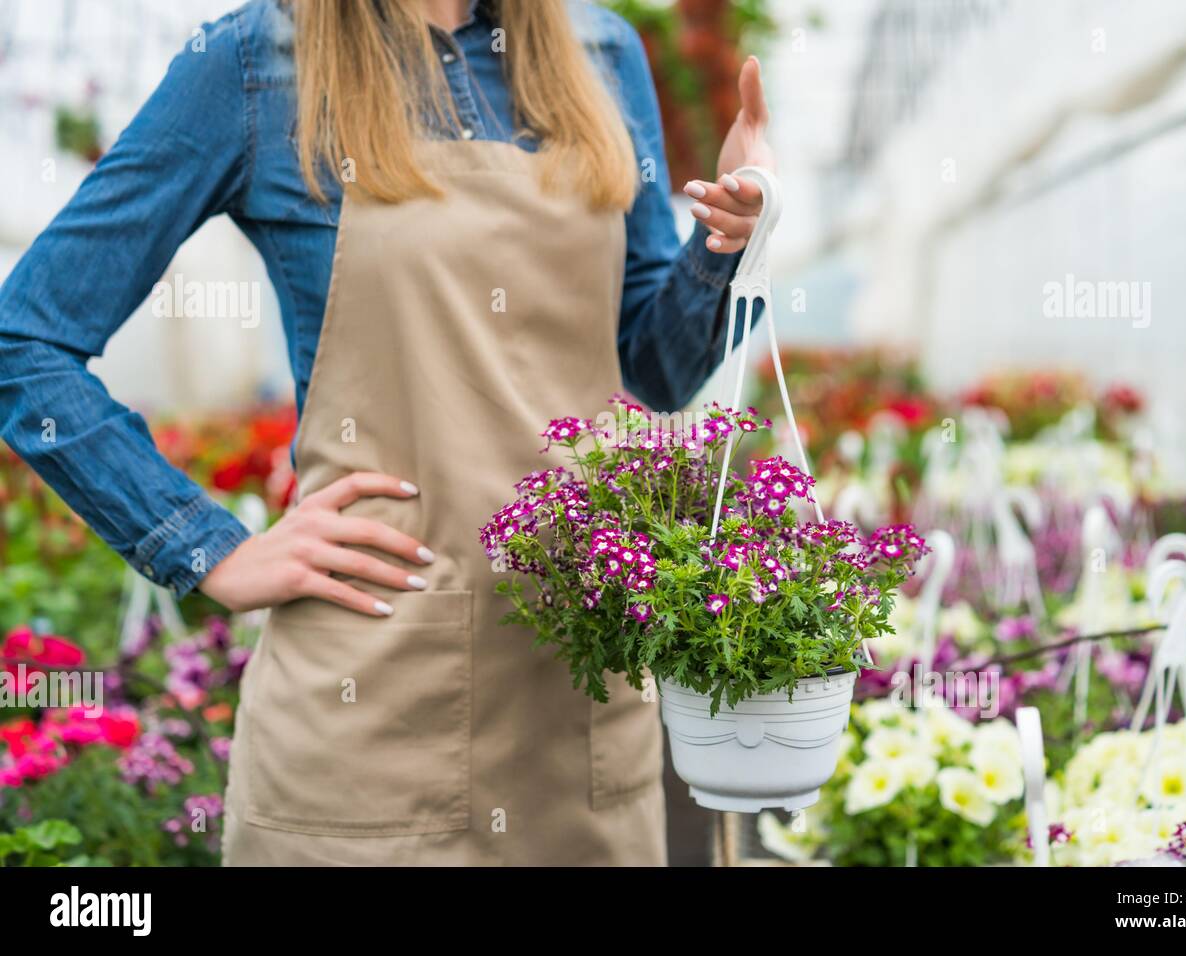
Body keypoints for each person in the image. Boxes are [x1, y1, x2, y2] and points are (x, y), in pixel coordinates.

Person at [0, 0, 774, 865]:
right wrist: (206, 547)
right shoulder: (255, 61)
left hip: (580, 704)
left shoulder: (601, 51)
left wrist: (727, 245)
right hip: (367, 711)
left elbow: (652, 366)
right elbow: (26, 337)